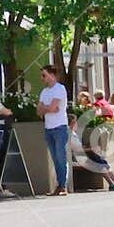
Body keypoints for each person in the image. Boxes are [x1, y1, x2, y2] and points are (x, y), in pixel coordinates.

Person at [37, 65, 71, 195]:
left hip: (60, 127)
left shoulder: (60, 89)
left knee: (61, 157)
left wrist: (47, 108)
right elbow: (39, 111)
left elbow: (52, 108)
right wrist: (48, 108)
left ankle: (63, 186)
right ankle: (59, 185)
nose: (42, 78)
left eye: (44, 75)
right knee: (55, 158)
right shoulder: (44, 92)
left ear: (52, 75)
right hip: (48, 128)